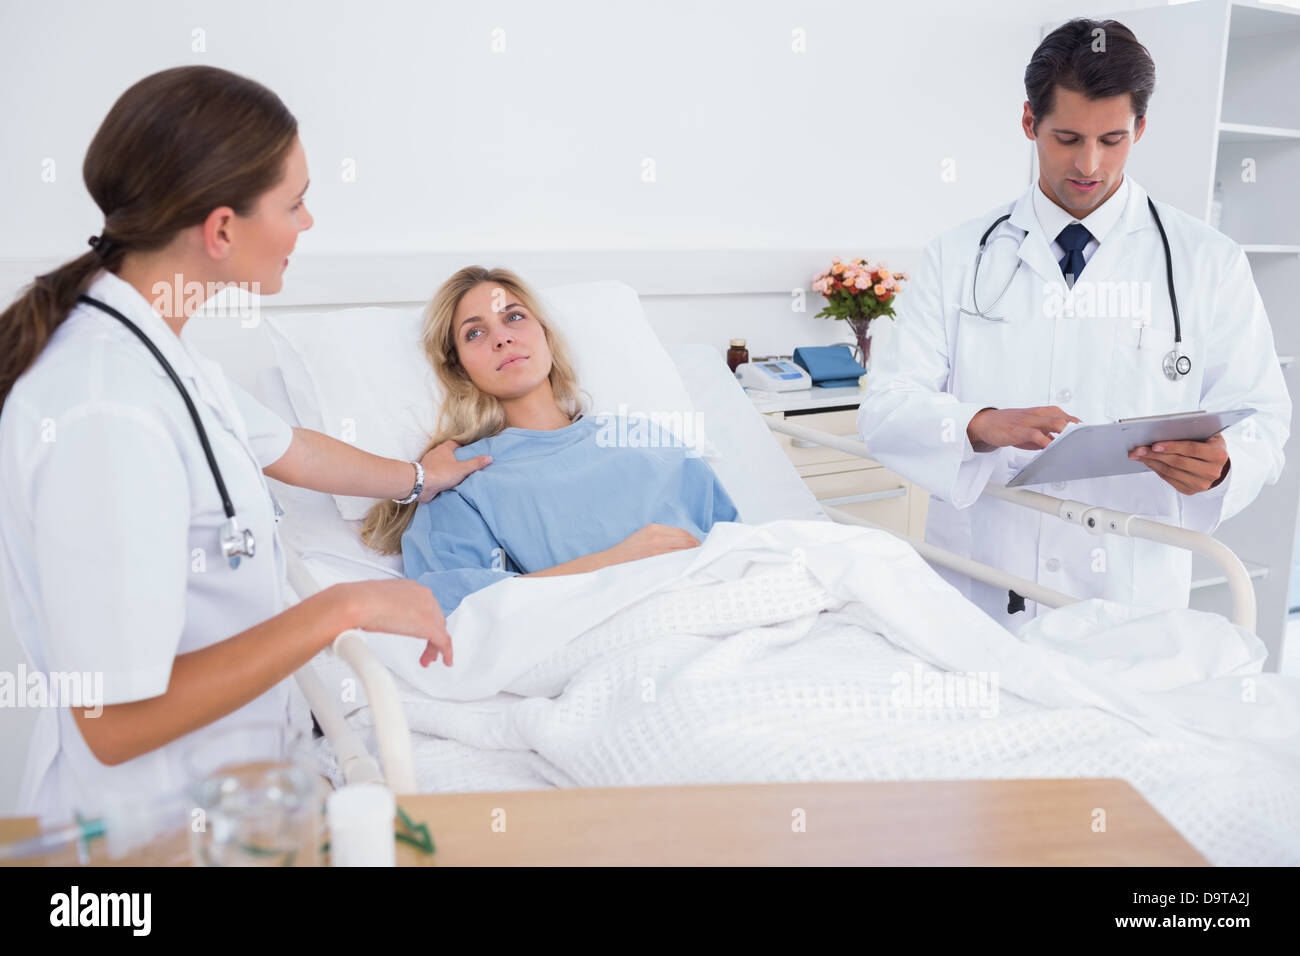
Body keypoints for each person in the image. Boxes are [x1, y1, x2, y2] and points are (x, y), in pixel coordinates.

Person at [0, 66, 487, 821]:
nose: (309, 223)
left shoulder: (162, 351)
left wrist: (416, 479)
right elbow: (113, 722)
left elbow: (290, 447)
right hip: (144, 832)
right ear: (222, 229)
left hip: (238, 798)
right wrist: (343, 608)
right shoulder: (105, 414)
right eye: (294, 203)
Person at [856, 19, 1290, 630]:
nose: (1090, 165)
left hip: (1131, 599)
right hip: (985, 589)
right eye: (1067, 138)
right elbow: (886, 407)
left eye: (1112, 139)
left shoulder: (1206, 261)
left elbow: (1262, 414)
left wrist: (1221, 469)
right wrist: (978, 425)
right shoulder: (957, 256)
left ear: (1140, 128)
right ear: (1030, 122)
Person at [361, 266, 739, 615]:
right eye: (475, 333)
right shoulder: (462, 479)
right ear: (459, 366)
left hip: (724, 603)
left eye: (514, 317)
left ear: (546, 334)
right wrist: (616, 562)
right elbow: (458, 607)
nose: (502, 337)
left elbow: (739, 543)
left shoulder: (643, 437)